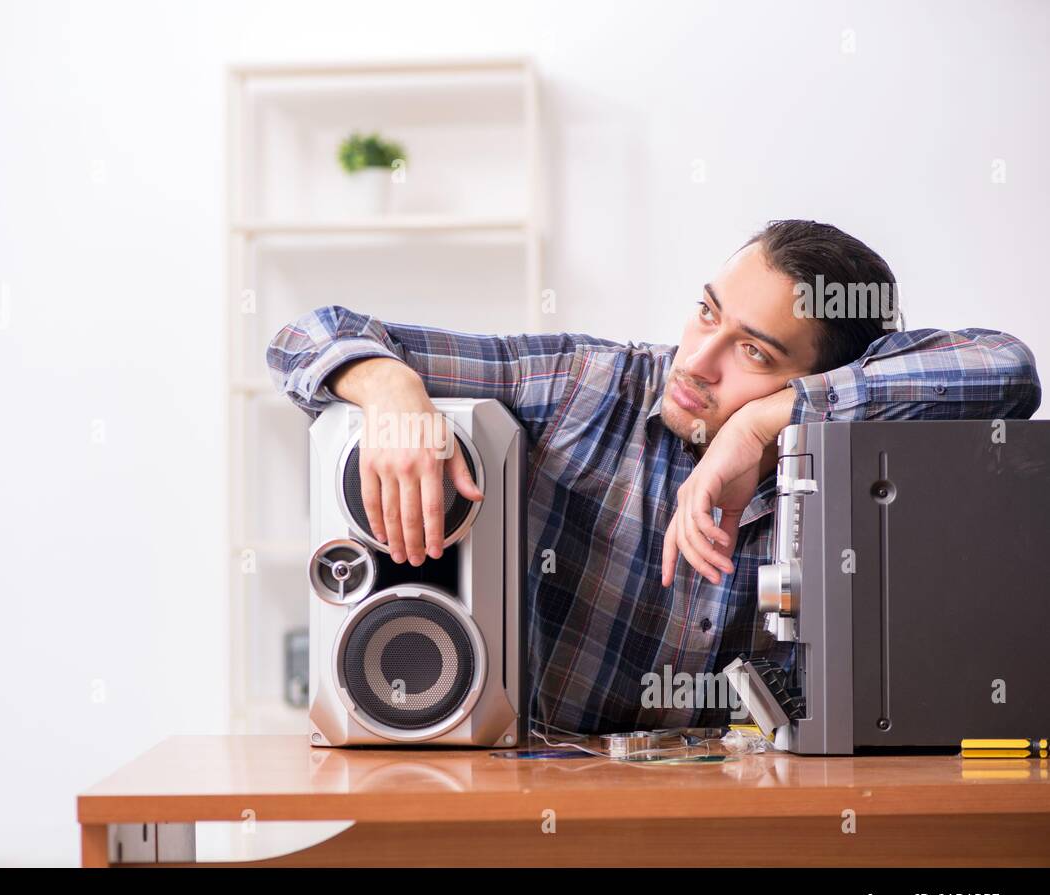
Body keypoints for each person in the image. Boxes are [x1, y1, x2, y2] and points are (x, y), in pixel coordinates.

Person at [266, 219, 1041, 736]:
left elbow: (1004, 368)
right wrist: (394, 394)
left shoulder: (848, 461)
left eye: (755, 353)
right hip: (544, 816)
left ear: (826, 375)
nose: (697, 363)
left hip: (742, 830)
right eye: (708, 313)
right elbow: (311, 332)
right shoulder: (586, 386)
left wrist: (762, 425)